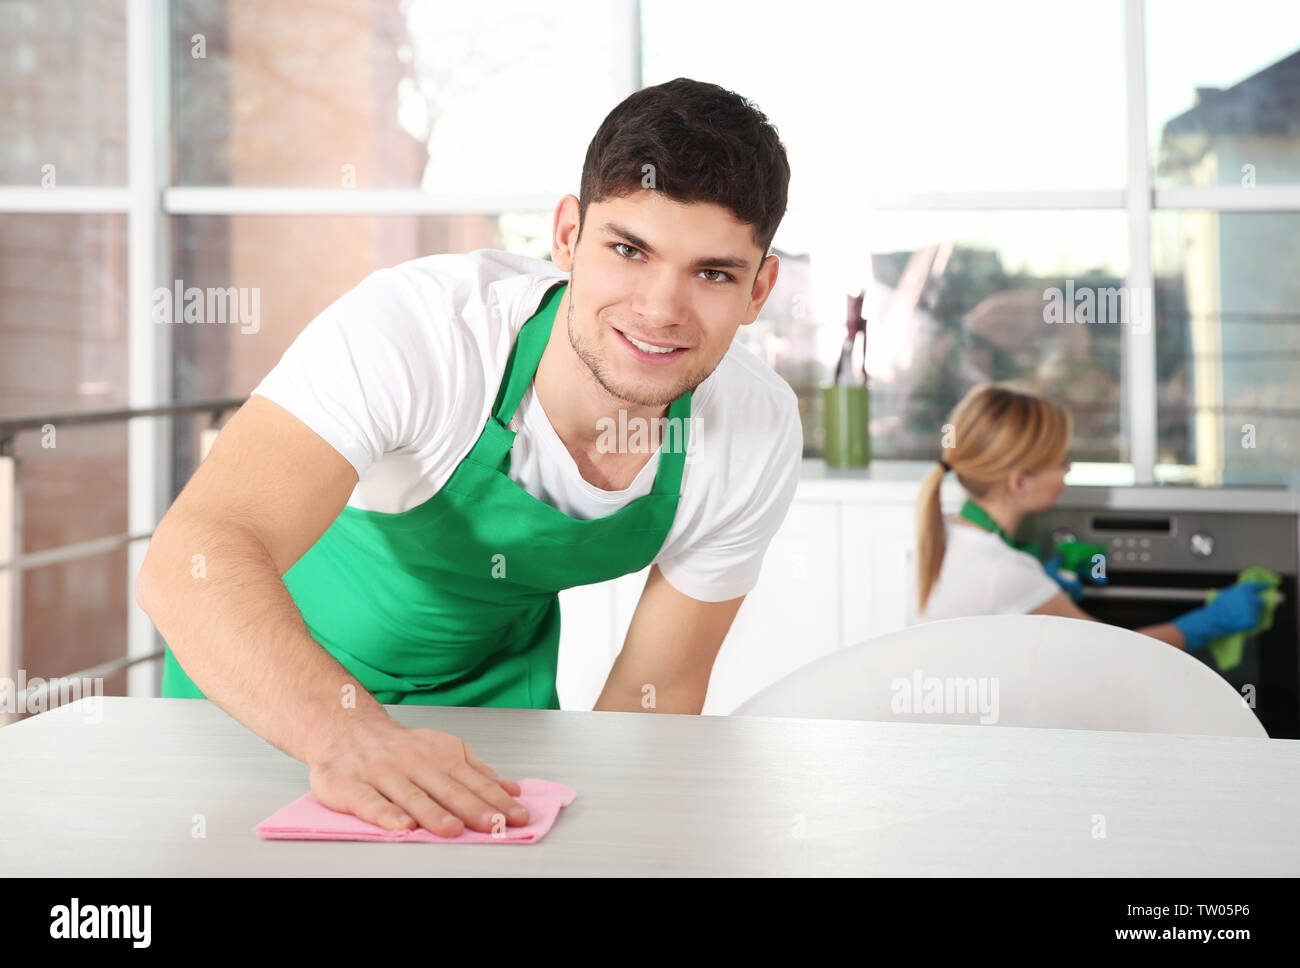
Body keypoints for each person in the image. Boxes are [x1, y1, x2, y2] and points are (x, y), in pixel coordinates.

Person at [135, 78, 801, 838]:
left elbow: (658, 695)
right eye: (628, 249)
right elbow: (190, 559)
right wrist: (346, 735)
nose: (659, 309)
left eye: (712, 272)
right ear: (567, 236)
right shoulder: (420, 332)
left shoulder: (752, 430)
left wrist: (609, 851)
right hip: (269, 698)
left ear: (759, 289)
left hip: (489, 715)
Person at [915, 383, 1267, 650]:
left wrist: (1043, 587)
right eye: (1059, 461)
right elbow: (1117, 656)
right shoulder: (1006, 573)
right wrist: (1209, 622)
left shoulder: (944, 533)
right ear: (1019, 482)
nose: (1069, 469)